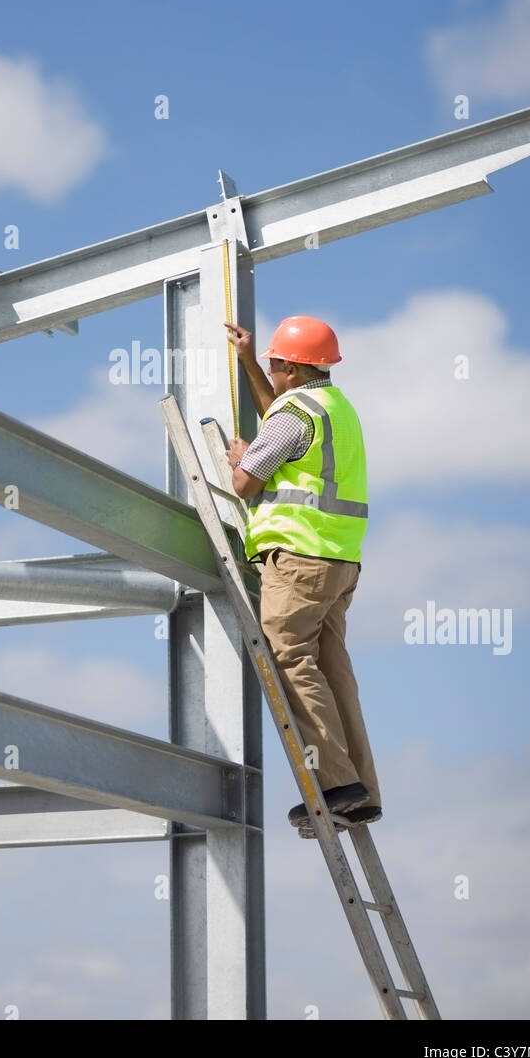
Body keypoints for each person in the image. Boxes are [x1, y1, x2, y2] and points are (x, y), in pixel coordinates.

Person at [224, 315, 381, 836]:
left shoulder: (293, 415)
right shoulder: (334, 408)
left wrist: (244, 458)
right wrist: (247, 360)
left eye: (273, 362)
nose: (270, 366)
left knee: (289, 656)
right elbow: (280, 419)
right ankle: (361, 791)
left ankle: (336, 785)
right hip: (338, 561)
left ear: (292, 368)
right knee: (335, 672)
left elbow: (246, 484)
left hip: (298, 558)